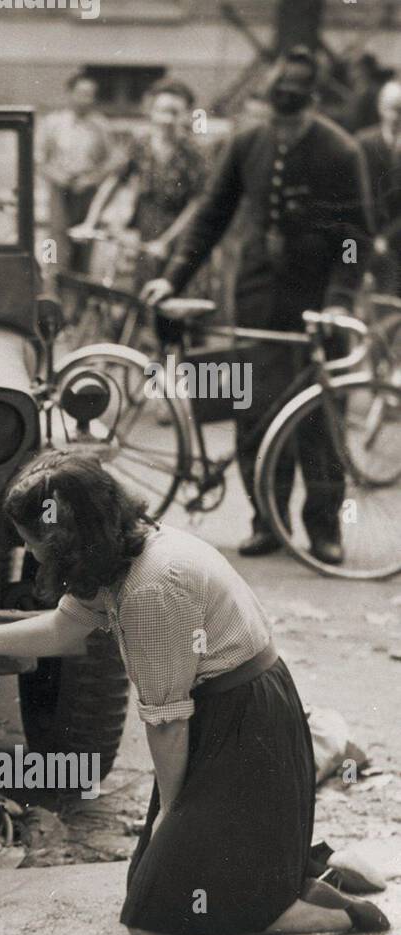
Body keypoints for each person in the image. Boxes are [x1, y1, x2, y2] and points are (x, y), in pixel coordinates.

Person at [0, 451, 389, 935]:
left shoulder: (151, 587)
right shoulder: (123, 544)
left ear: (64, 539)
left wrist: (174, 813)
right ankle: (295, 875)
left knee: (153, 923)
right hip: (236, 713)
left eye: (31, 539)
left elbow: (167, 722)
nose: (26, 548)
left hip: (246, 727)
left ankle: (314, 912)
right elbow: (66, 630)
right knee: (154, 891)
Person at [142, 48, 371, 565]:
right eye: (278, 116)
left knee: (318, 420)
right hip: (255, 301)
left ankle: (323, 528)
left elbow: (355, 238)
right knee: (252, 413)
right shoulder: (246, 142)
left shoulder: (340, 151)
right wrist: (172, 277)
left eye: (295, 117)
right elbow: (210, 217)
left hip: (317, 309)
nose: (285, 128)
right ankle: (267, 521)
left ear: (313, 104)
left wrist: (338, 301)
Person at [76, 79, 208, 291]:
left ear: (186, 115)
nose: (166, 119)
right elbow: (113, 182)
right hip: (146, 229)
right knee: (139, 296)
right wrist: (90, 223)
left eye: (174, 112)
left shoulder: (194, 153)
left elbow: (197, 203)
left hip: (180, 233)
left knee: (172, 299)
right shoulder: (141, 145)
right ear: (152, 111)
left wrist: (167, 241)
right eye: (161, 111)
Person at [38, 71, 115, 271]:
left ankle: (79, 293)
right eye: (81, 93)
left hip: (87, 191)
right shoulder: (53, 123)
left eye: (90, 94)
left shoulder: (101, 125)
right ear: (70, 94)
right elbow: (39, 159)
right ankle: (51, 286)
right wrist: (57, 176)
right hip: (60, 189)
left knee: (83, 241)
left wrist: (91, 179)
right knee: (56, 241)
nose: (85, 99)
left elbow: (112, 162)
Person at [356, 80, 401, 297]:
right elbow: (351, 195)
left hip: (396, 240)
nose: (398, 117)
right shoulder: (363, 142)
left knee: (389, 303)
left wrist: (387, 238)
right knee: (351, 276)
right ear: (381, 108)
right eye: (395, 109)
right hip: (360, 234)